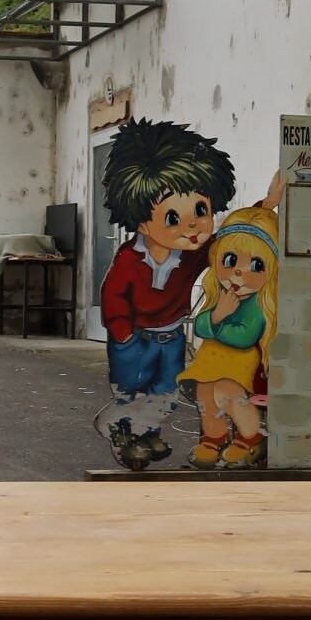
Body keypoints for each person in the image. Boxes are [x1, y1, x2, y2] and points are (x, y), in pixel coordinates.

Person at [97, 119, 284, 470]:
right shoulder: (128, 260)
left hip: (170, 336)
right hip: (133, 338)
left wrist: (267, 204)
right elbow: (113, 298)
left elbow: (235, 240)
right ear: (141, 221)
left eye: (201, 210)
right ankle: (126, 436)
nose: (194, 226)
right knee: (131, 390)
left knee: (166, 392)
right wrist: (122, 332)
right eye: (173, 217)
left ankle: (149, 433)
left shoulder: (194, 252)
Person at [177, 204, 280, 467]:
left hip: (243, 363)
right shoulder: (219, 294)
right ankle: (213, 439)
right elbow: (199, 324)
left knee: (226, 392)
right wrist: (215, 316)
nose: (238, 272)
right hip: (211, 361)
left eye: (255, 265)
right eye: (231, 260)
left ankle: (250, 439)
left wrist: (218, 325)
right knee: (205, 394)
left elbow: (245, 336)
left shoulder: (259, 303)